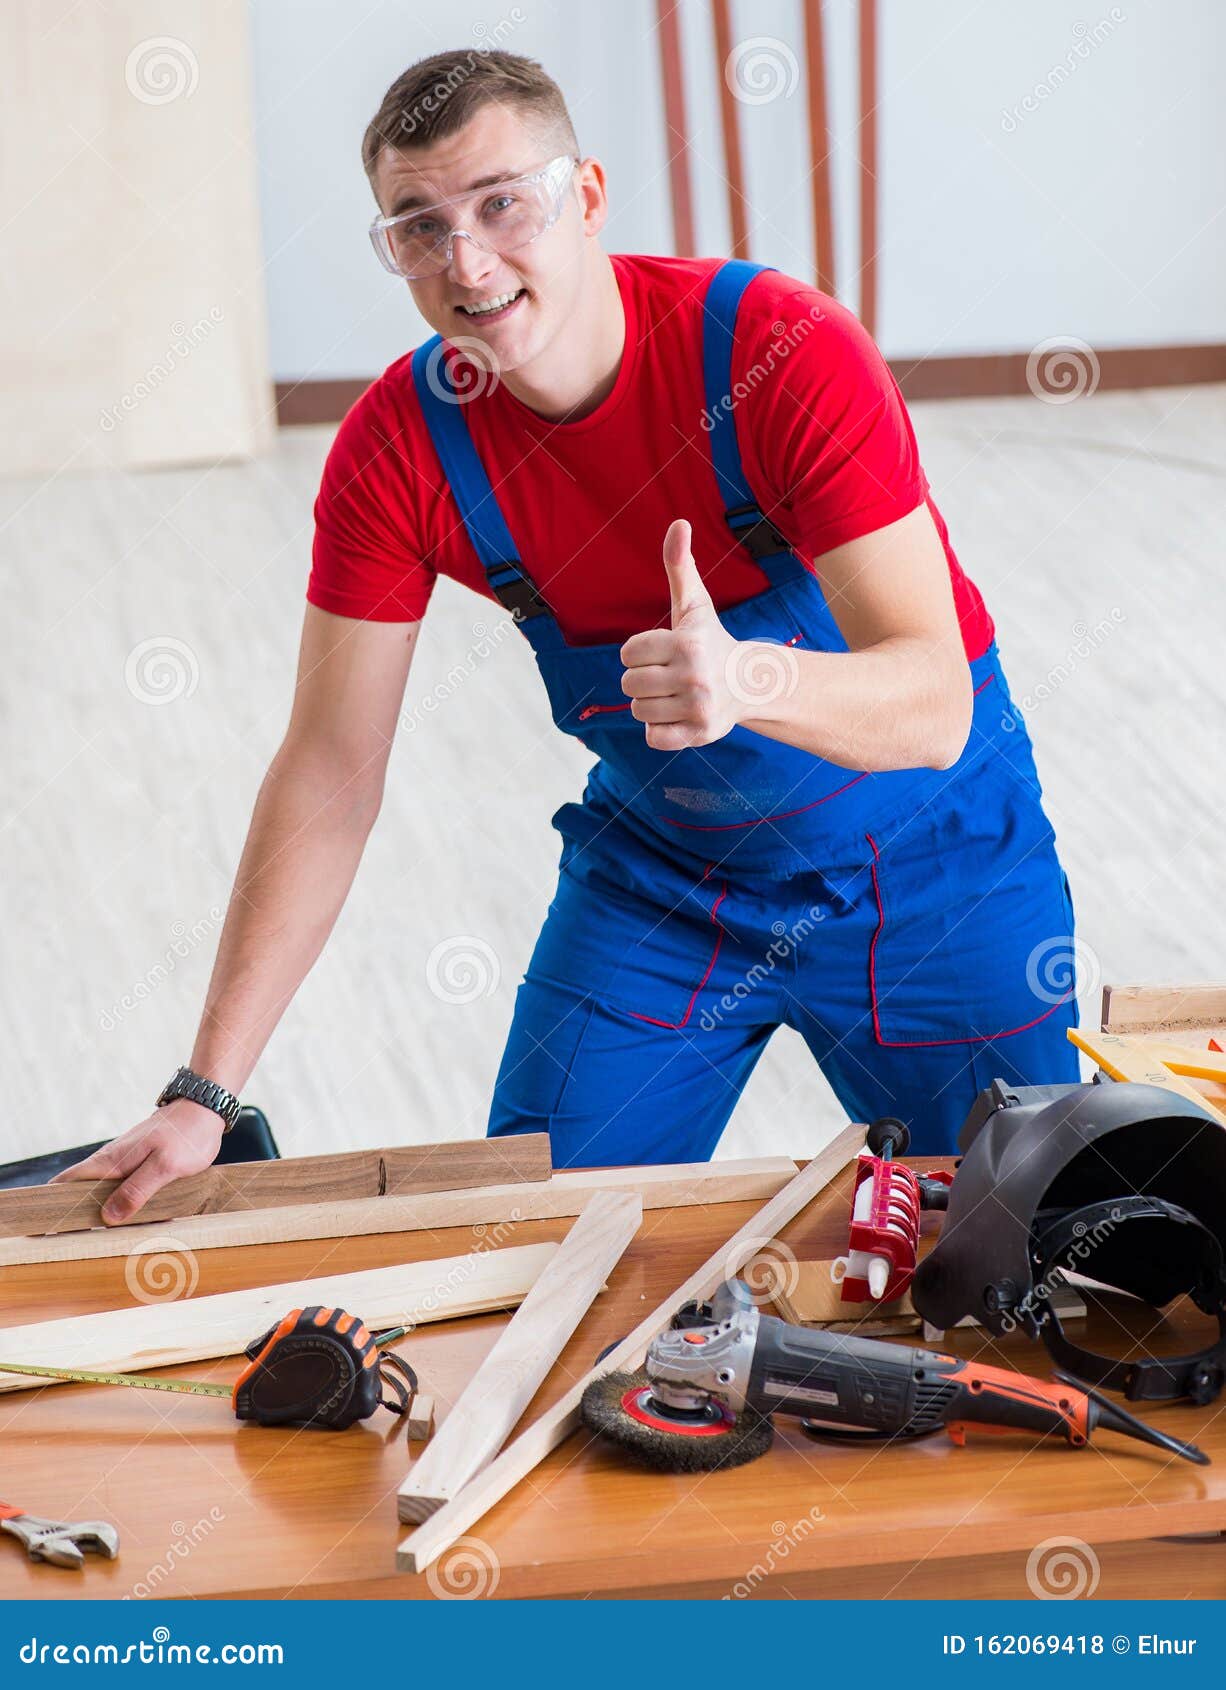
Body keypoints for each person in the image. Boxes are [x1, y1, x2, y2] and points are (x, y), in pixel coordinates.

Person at [58, 49, 1079, 1224]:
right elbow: (331, 770)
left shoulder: (777, 352)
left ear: (586, 195)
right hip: (670, 883)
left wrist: (745, 678)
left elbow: (932, 701)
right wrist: (206, 1091)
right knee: (531, 1241)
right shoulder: (402, 447)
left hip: (932, 860)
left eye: (502, 203)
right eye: (417, 226)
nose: (467, 262)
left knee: (1032, 1239)